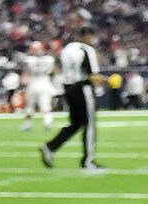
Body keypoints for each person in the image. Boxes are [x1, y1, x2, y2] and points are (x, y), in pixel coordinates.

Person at [39, 25, 103, 171]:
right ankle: (88, 161)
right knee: (90, 124)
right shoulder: (87, 50)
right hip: (83, 89)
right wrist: (107, 81)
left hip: (68, 88)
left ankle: (50, 147)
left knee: (75, 124)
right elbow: (92, 75)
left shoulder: (66, 49)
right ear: (87, 36)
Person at [23, 40, 57, 128]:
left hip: (33, 82)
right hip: (45, 82)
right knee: (46, 104)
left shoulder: (29, 60)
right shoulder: (49, 59)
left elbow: (26, 73)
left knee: (30, 105)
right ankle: (48, 122)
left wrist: (23, 83)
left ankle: (27, 125)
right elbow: (53, 71)